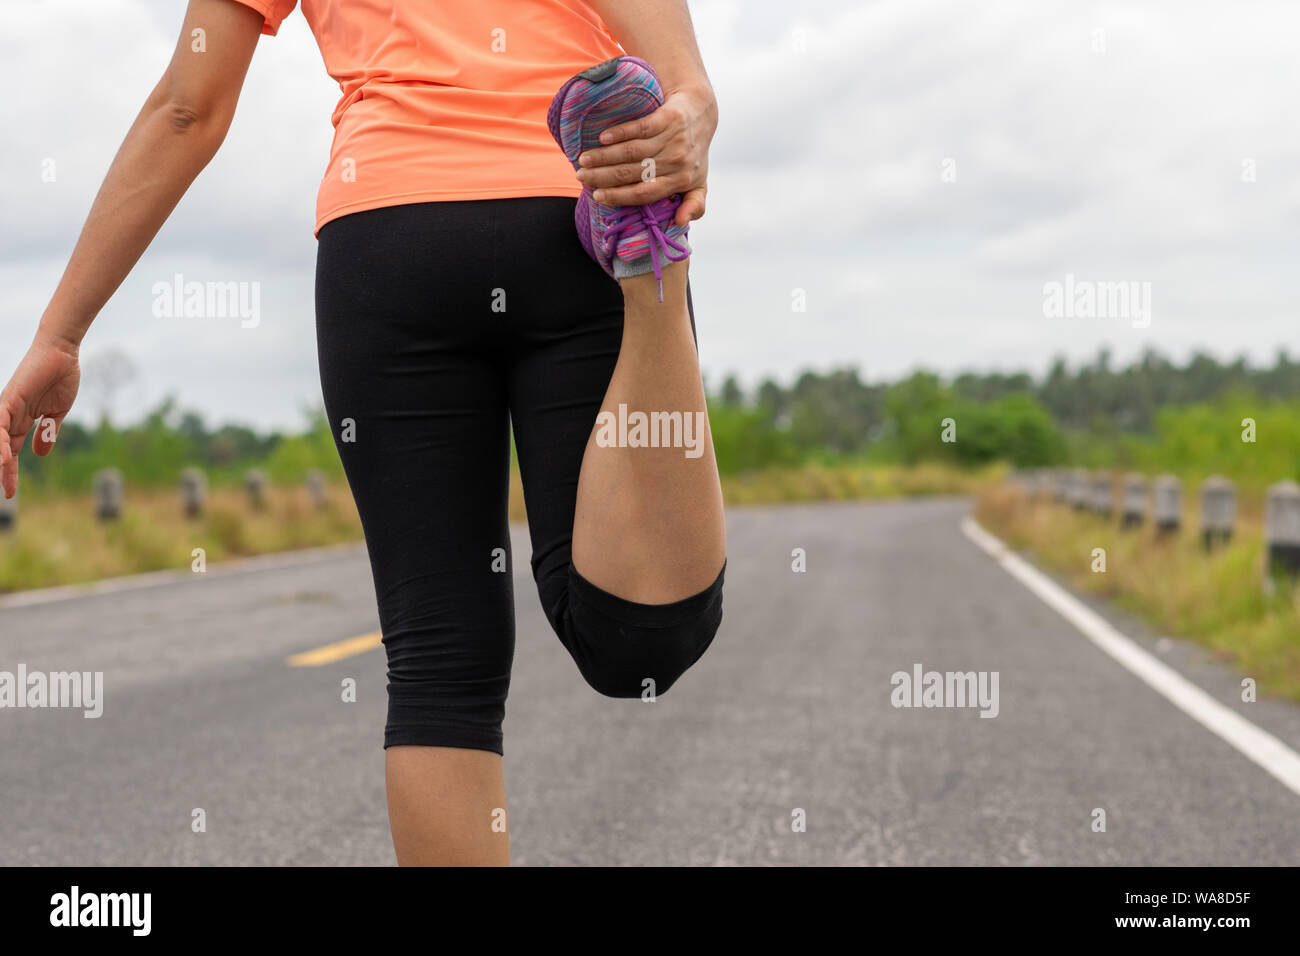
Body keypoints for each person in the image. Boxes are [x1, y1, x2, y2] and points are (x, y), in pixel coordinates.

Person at [0, 0, 726, 866]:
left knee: (439, 665)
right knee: (641, 643)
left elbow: (188, 107)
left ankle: (641, 254)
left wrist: (60, 333)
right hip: (573, 201)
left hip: (388, 236)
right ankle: (648, 268)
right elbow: (677, 76)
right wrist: (685, 106)